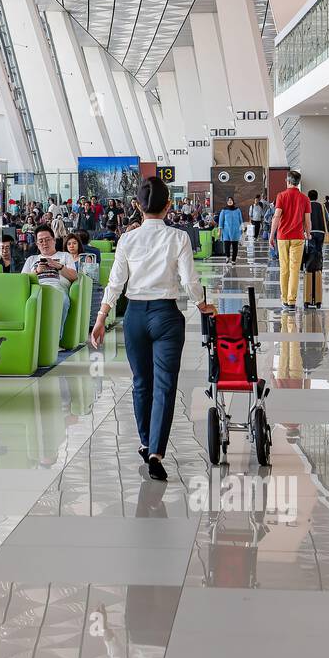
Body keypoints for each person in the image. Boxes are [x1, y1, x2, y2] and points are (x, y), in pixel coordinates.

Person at [90, 176, 210, 483]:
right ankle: (156, 452)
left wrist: (102, 317)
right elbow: (188, 280)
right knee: (165, 385)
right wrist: (202, 305)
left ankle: (145, 441)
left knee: (141, 382)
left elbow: (116, 282)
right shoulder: (178, 237)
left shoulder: (127, 240)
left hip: (135, 317)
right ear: (168, 206)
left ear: (138, 207)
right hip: (166, 315)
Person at [22, 224, 79, 329]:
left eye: (47, 239)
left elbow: (74, 277)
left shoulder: (65, 256)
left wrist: (59, 266)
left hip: (58, 289)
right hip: (36, 290)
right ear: (37, 244)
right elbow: (22, 281)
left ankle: (56, 339)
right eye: (41, 241)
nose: (44, 243)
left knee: (63, 301)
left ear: (54, 240)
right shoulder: (31, 259)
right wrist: (36, 271)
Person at [269, 170, 311, 309]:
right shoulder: (305, 198)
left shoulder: (281, 196)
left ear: (287, 181)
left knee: (284, 269)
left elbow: (276, 216)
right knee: (294, 269)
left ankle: (284, 299)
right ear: (298, 183)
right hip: (298, 237)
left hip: (282, 237)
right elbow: (307, 220)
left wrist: (271, 235)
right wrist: (308, 234)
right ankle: (292, 300)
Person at [303, 190, 327, 309]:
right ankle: (319, 268)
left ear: (308, 197)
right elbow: (327, 218)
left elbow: (304, 219)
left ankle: (309, 268)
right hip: (321, 233)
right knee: (319, 251)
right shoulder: (321, 206)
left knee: (310, 251)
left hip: (310, 232)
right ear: (317, 197)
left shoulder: (306, 205)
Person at [218, 199, 243, 264]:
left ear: (233, 201)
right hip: (226, 231)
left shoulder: (237, 210)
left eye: (231, 200)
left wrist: (242, 229)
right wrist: (220, 231)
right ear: (226, 202)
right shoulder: (224, 210)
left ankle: (233, 260)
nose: (230, 201)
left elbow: (240, 220)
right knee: (227, 246)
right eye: (228, 200)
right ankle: (228, 256)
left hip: (235, 230)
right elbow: (221, 221)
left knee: (235, 246)